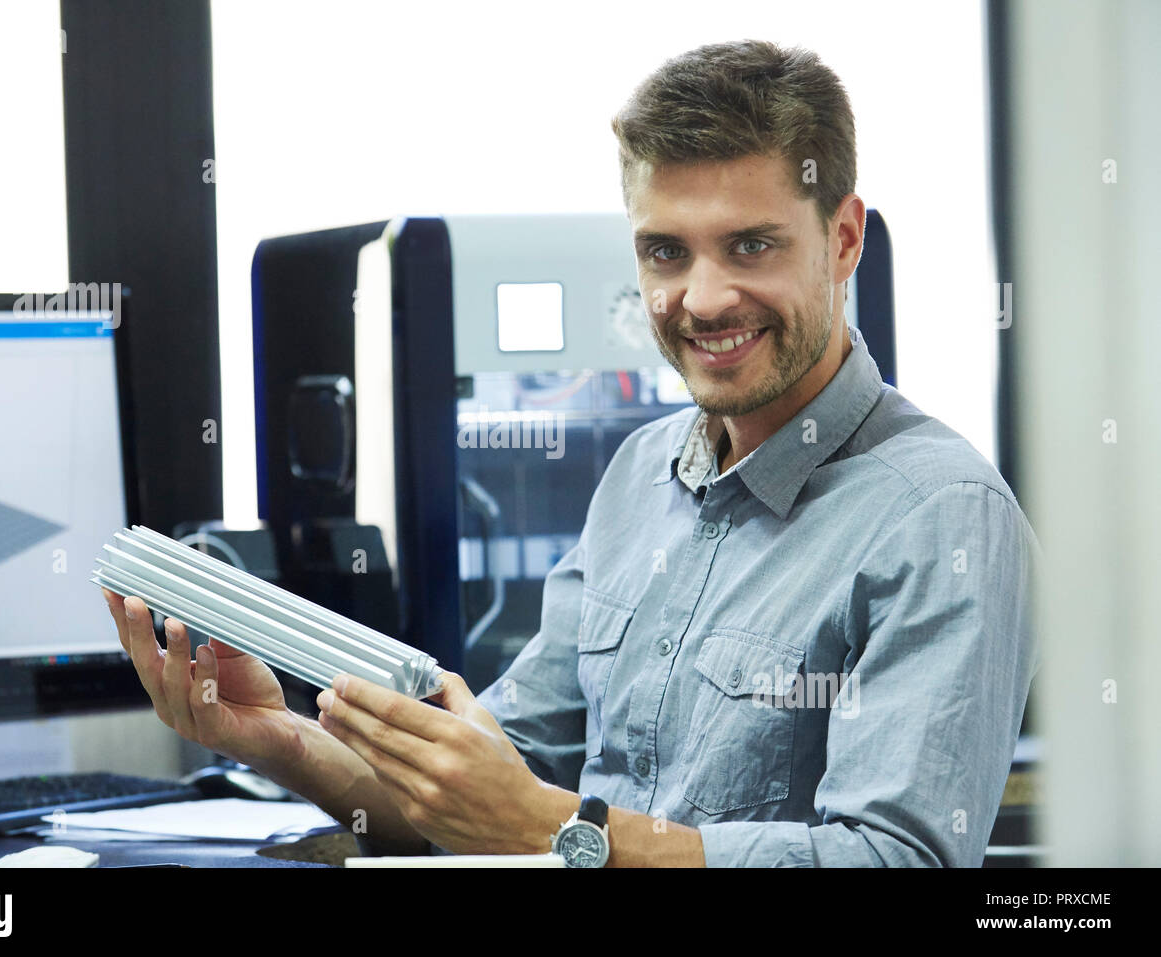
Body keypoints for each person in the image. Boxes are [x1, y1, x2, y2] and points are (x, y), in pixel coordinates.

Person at [103, 39, 1039, 867]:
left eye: (750, 245)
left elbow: (892, 859)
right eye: (666, 252)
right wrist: (275, 738)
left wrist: (553, 830)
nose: (703, 298)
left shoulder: (943, 516)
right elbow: (475, 792)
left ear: (842, 239)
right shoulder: (641, 477)